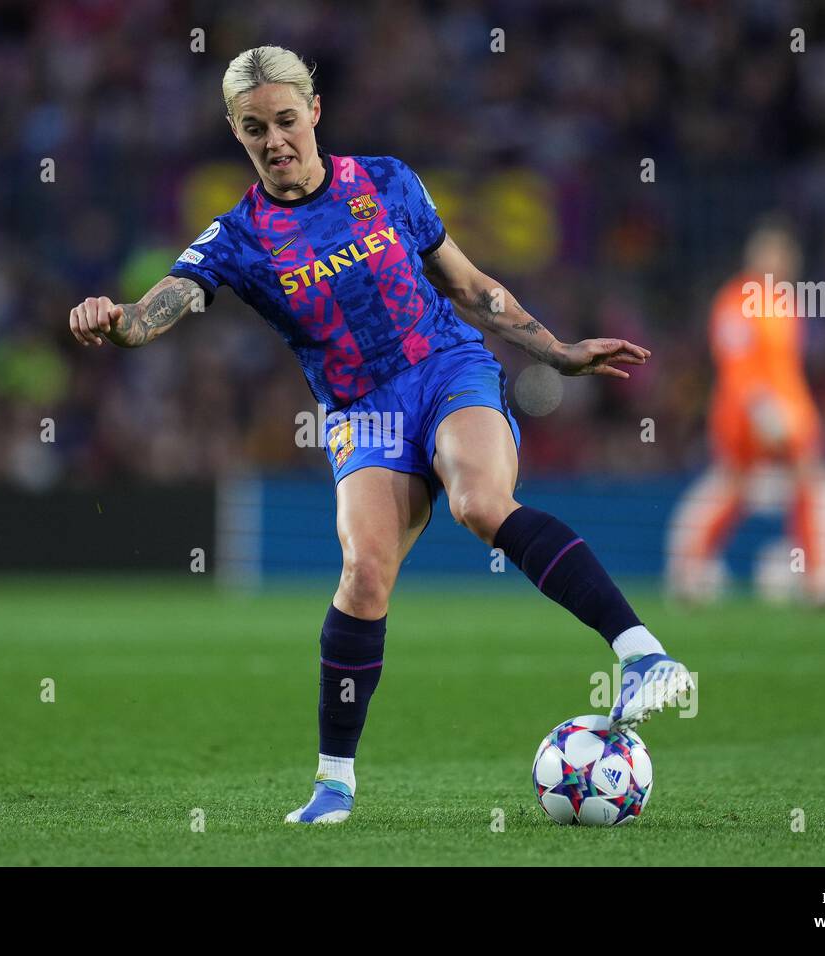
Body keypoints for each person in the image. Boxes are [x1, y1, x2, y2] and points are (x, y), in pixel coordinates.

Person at [68, 46, 691, 824]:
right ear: (236, 132)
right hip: (362, 414)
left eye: (287, 120)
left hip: (447, 369)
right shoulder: (239, 237)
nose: (275, 141)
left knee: (477, 501)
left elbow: (467, 286)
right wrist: (118, 323)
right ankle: (334, 785)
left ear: (315, 112)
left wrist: (556, 351)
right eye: (255, 128)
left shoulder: (387, 181)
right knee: (364, 574)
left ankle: (642, 654)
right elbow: (163, 304)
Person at [675, 218, 825, 601]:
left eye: (786, 255)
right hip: (746, 412)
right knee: (738, 488)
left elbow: (788, 366)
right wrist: (761, 408)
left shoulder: (786, 301)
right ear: (755, 256)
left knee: (805, 485)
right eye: (773, 254)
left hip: (791, 408)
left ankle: (814, 580)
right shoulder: (737, 299)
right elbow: (735, 361)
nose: (781, 262)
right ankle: (691, 570)